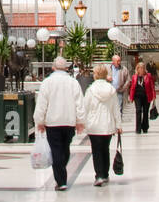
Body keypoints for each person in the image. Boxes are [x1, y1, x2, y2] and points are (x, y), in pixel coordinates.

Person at [32, 56, 83, 191]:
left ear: (53, 67)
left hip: (52, 122)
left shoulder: (47, 83)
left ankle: (61, 181)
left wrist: (39, 121)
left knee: (56, 150)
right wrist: (80, 121)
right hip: (69, 122)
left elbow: (42, 104)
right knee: (65, 148)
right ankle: (61, 177)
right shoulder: (73, 83)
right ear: (66, 68)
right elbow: (79, 103)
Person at [79, 65, 122, 186]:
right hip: (107, 124)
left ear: (95, 75)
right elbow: (116, 109)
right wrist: (118, 125)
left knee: (96, 150)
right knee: (105, 149)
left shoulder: (90, 90)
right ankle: (105, 174)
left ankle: (99, 176)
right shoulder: (111, 90)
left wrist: (81, 123)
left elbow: (85, 108)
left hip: (93, 125)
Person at [130, 59, 156, 134]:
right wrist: (131, 97)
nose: (141, 69)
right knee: (138, 111)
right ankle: (138, 128)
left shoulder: (148, 76)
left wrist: (154, 96)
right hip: (137, 96)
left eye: (142, 68)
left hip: (146, 96)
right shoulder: (134, 77)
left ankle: (145, 127)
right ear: (137, 69)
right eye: (139, 68)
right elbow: (132, 88)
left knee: (145, 111)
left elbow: (152, 86)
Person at [110, 54, 130, 120]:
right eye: (117, 61)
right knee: (110, 108)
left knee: (119, 108)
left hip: (119, 91)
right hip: (109, 92)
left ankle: (118, 124)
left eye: (119, 61)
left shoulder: (123, 69)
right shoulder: (108, 69)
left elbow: (128, 80)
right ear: (113, 61)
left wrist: (123, 89)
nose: (119, 62)